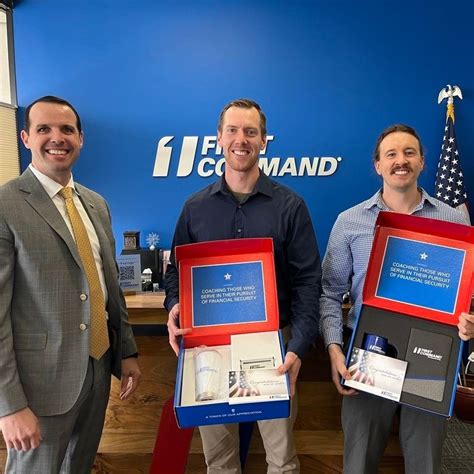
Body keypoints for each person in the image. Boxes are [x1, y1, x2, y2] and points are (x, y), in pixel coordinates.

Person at [165, 98, 321, 473]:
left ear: (264, 140)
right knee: (219, 461)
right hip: (210, 348)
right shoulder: (195, 208)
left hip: (274, 348)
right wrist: (174, 305)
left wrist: (298, 347)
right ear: (219, 138)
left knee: (282, 461)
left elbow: (307, 282)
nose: (241, 139)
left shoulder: (290, 206)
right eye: (233, 130)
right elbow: (175, 273)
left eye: (251, 132)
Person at [320, 123, 473, 474]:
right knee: (358, 463)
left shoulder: (454, 220)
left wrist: (470, 321)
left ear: (422, 161)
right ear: (378, 165)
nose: (400, 161)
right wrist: (334, 349)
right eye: (391, 154)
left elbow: (469, 292)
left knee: (426, 463)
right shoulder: (349, 222)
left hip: (433, 357)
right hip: (369, 351)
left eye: (409, 153)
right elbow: (328, 293)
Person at [0, 96, 141, 473]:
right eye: (44, 129)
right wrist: (9, 405)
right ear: (26, 138)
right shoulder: (5, 204)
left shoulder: (95, 204)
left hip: (97, 374)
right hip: (38, 389)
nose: (56, 138)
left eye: (66, 129)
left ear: (80, 138)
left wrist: (126, 352)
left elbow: (109, 286)